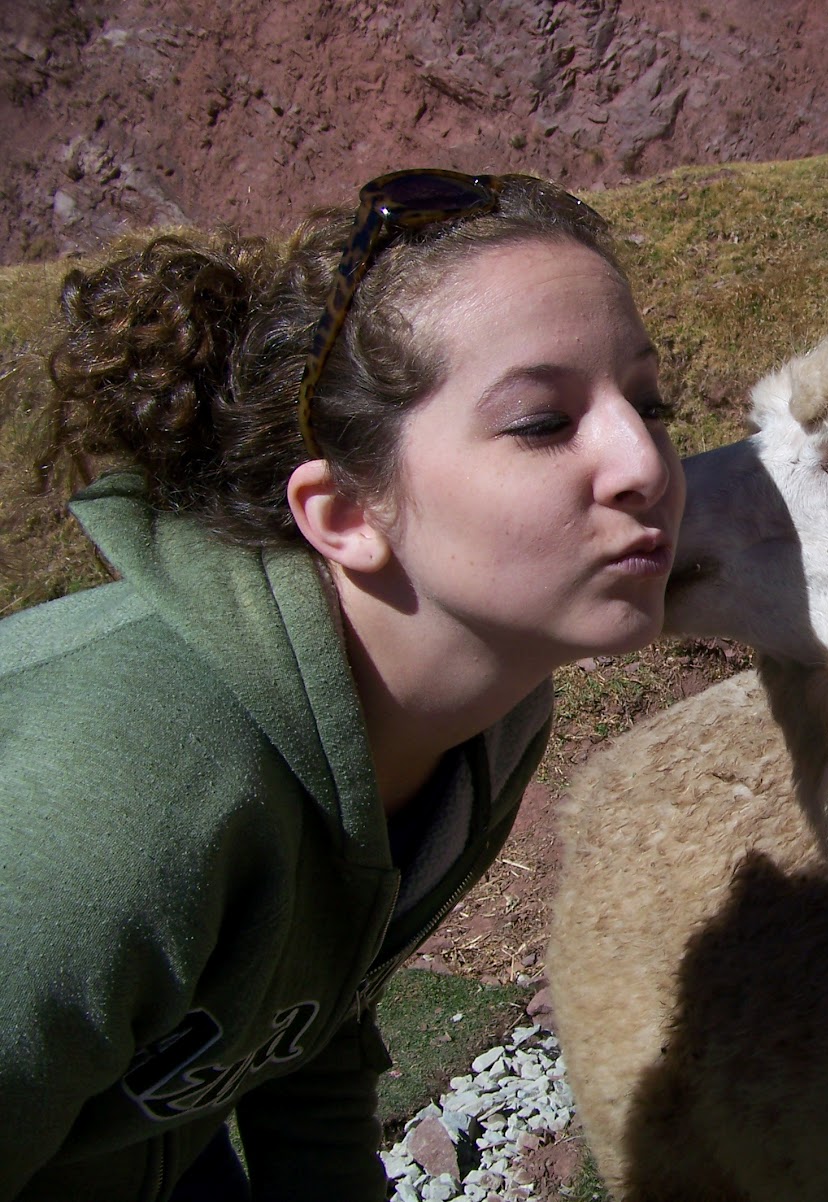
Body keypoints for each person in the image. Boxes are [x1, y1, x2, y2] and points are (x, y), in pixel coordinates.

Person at [0, 170, 685, 1200]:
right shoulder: (105, 813)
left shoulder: (482, 723)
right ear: (344, 511)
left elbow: (307, 1014)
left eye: (647, 401)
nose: (645, 461)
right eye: (543, 422)